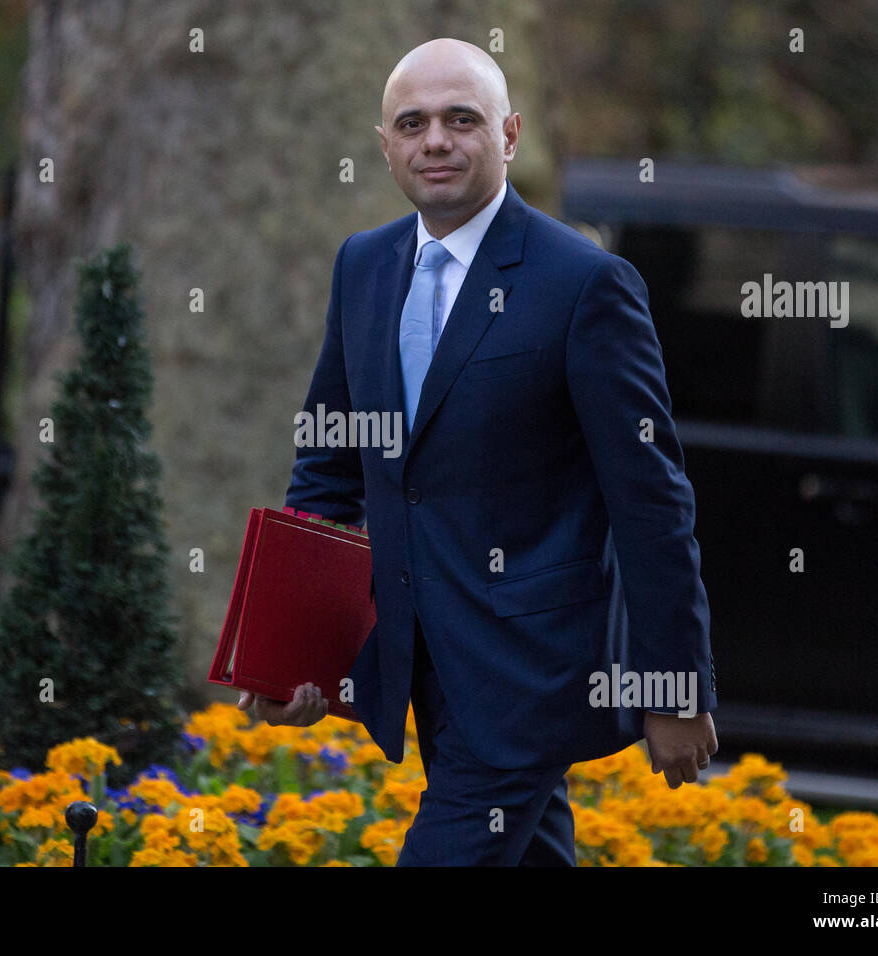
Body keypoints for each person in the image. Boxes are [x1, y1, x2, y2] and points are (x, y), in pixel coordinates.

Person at [238, 37, 718, 866]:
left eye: (462, 120)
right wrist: (292, 654)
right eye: (413, 123)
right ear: (385, 143)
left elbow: (650, 500)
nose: (436, 141)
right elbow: (329, 465)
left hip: (531, 676)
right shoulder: (362, 267)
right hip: (416, 665)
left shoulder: (585, 284)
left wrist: (672, 684)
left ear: (509, 135)